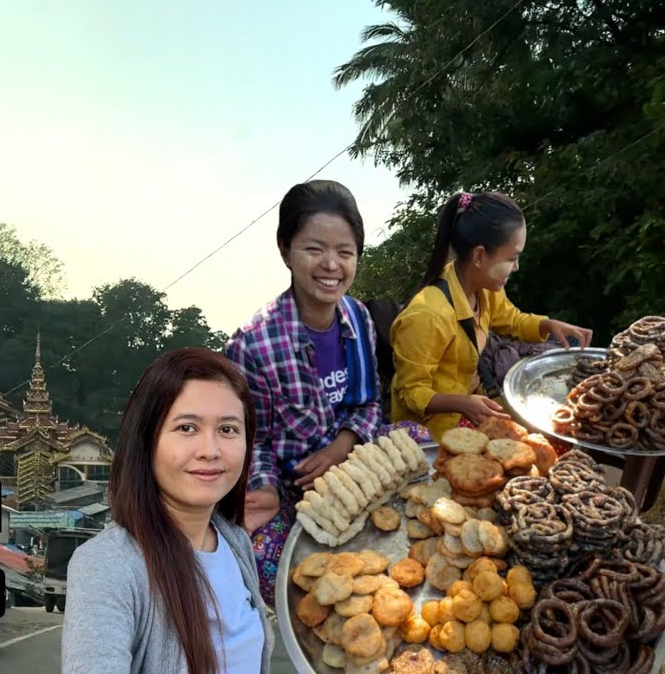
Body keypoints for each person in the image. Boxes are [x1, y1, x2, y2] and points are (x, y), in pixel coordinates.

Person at [222, 180, 429, 606]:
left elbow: (369, 403)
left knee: (423, 443)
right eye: (314, 249)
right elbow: (251, 439)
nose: (331, 264)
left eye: (345, 252)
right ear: (285, 251)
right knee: (266, 562)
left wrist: (343, 445)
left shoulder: (358, 319)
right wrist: (265, 489)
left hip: (354, 461)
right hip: (295, 486)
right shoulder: (254, 345)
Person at [61, 348, 273, 674]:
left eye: (228, 429)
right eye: (187, 428)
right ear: (147, 440)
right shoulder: (108, 566)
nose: (210, 451)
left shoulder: (235, 541)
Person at [389, 191, 593, 439]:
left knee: (556, 435)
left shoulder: (485, 289)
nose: (516, 267)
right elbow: (410, 392)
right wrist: (463, 403)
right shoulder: (427, 316)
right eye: (512, 258)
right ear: (479, 255)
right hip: (431, 431)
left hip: (471, 407)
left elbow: (513, 320)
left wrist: (549, 325)